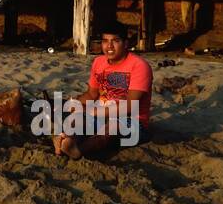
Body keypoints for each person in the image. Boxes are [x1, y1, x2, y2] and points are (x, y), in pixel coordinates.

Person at [52, 21, 152, 159]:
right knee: (75, 120)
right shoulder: (99, 62)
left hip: (133, 121)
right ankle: (64, 141)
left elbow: (130, 106)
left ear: (126, 43)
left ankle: (78, 151)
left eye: (115, 41)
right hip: (99, 114)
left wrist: (93, 111)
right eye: (105, 41)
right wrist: (73, 103)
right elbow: (92, 94)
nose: (109, 46)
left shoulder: (139, 66)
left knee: (111, 127)